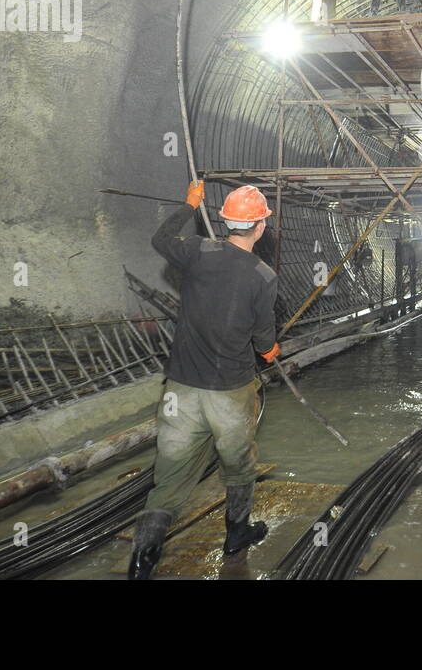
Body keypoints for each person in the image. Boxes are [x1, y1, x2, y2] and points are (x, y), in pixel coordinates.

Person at [128, 180, 281, 580]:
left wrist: (188, 206)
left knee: (171, 477)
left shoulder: (198, 252)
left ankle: (142, 560)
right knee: (238, 465)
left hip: (181, 389)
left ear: (224, 220)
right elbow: (264, 337)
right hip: (229, 392)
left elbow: (161, 237)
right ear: (260, 227)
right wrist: (269, 352)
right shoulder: (263, 276)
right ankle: (236, 535)